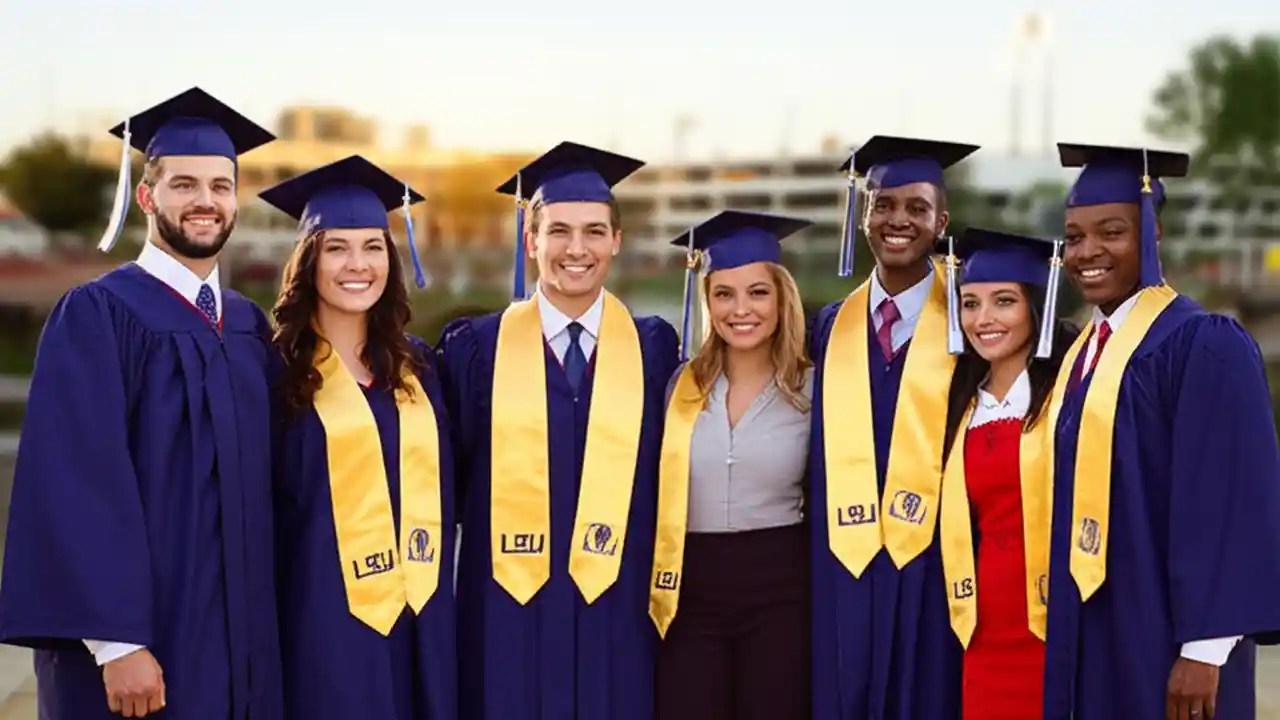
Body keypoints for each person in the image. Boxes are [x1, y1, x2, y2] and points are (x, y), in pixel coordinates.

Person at [0, 87, 284, 720]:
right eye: (184, 184)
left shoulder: (246, 327)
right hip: (142, 641)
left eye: (220, 185)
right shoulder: (99, 314)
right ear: (146, 196)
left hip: (238, 637)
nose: (205, 201)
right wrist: (116, 642)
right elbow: (74, 481)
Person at [436, 141, 680, 720]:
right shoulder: (475, 349)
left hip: (616, 609)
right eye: (559, 230)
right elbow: (455, 482)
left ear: (617, 241)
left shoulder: (652, 349)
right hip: (505, 612)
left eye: (595, 231)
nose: (577, 249)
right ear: (531, 240)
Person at [1041, 142, 1280, 720]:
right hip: (1091, 625)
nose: (1088, 252)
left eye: (1111, 232)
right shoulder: (1083, 356)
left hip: (1167, 633)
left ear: (1153, 232)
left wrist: (1205, 650)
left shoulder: (1203, 344)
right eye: (1074, 238)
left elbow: (1233, 499)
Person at [258, 155, 455, 720]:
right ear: (308, 260)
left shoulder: (418, 370)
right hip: (319, 620)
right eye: (337, 247)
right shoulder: (274, 372)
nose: (357, 264)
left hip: (422, 619)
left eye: (373, 247)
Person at [808, 134, 979, 720]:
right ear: (863, 216)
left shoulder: (972, 327)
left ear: (942, 223)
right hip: (842, 566)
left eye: (916, 208)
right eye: (883, 204)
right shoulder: (829, 327)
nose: (897, 219)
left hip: (938, 568)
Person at [653, 209, 816, 720]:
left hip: (780, 592)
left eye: (757, 292)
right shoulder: (676, 387)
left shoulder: (816, 390)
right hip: (688, 595)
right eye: (724, 293)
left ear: (782, 298)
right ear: (707, 301)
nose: (740, 309)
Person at [936, 227, 1079, 719]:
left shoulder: (1074, 391)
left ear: (1035, 306)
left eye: (1003, 301)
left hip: (1058, 605)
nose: (984, 319)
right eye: (970, 303)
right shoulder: (960, 399)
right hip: (981, 613)